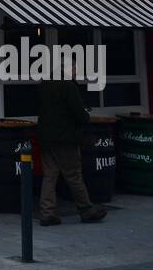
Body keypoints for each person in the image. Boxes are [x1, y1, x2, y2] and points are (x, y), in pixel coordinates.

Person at [36, 74, 107, 226]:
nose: (76, 70)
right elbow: (79, 113)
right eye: (74, 67)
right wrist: (86, 115)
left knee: (49, 175)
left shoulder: (45, 83)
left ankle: (47, 213)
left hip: (46, 136)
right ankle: (87, 210)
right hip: (65, 137)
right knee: (73, 174)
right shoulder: (68, 85)